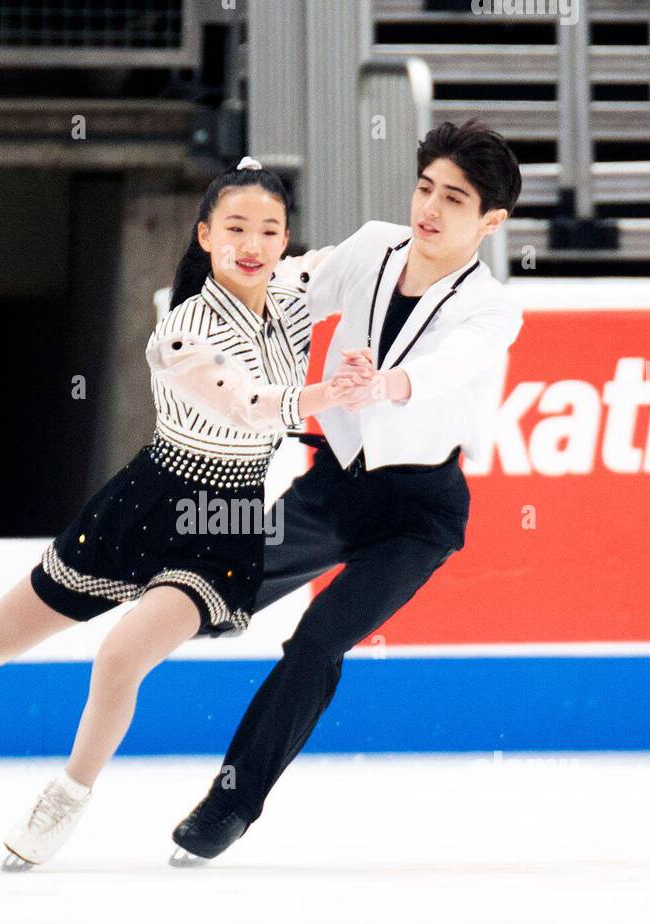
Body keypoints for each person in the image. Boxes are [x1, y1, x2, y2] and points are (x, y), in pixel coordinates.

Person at [0, 157, 357, 870]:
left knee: (121, 655)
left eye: (270, 229)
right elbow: (249, 403)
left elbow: (363, 262)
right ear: (204, 235)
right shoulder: (181, 326)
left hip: (221, 523)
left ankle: (68, 794)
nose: (254, 242)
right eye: (236, 226)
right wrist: (340, 391)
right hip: (144, 503)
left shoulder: (293, 294)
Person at [169, 120, 525, 865]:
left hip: (416, 515)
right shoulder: (372, 246)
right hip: (333, 484)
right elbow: (293, 283)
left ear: (492, 220)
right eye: (425, 186)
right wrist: (223, 293)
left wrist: (389, 383)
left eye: (453, 199)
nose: (428, 207)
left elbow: (452, 365)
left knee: (318, 641)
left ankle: (230, 805)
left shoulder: (491, 308)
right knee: (200, 595)